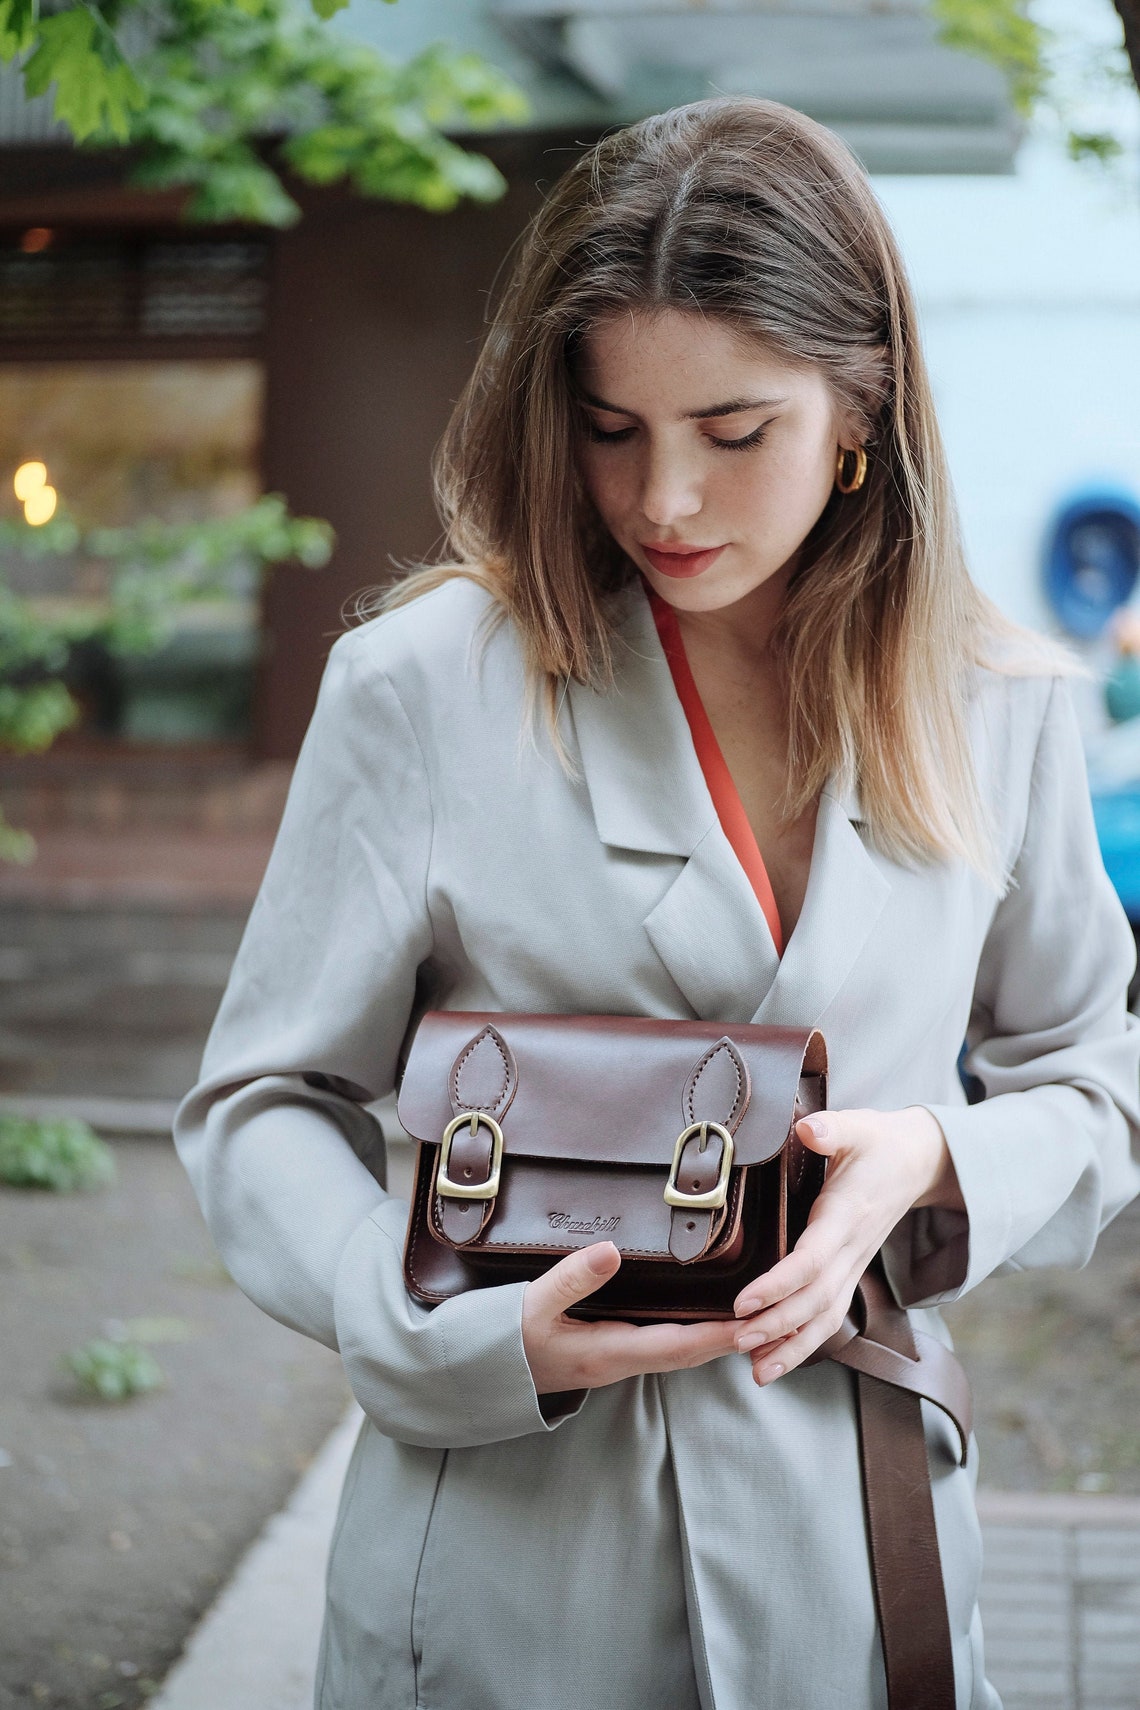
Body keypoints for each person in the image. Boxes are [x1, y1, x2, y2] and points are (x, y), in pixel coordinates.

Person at [174, 98, 1140, 1710]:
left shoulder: (1003, 700)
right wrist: (441, 1333)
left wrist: (943, 1156)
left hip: (856, 1539)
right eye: (611, 426)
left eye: (734, 430)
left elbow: (1097, 1070)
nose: (665, 498)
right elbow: (264, 1096)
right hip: (503, 1544)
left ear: (862, 412)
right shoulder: (422, 684)